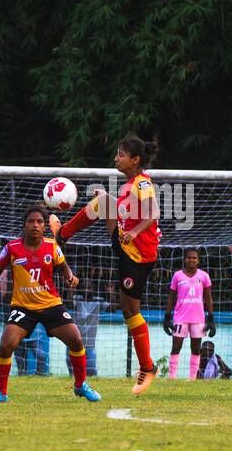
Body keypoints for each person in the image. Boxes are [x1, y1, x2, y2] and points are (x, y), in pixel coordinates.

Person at [52, 136, 162, 395]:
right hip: (126, 245)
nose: (116, 158)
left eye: (121, 154)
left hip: (136, 256)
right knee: (103, 202)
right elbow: (127, 211)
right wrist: (110, 205)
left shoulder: (143, 183)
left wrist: (135, 233)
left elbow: (153, 213)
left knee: (130, 312)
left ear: (135, 160)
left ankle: (148, 367)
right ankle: (61, 236)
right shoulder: (130, 184)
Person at [0, 203, 100, 404]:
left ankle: (80, 386)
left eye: (40, 222)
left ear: (44, 226)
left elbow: (63, 267)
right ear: (24, 225)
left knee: (76, 340)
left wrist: (71, 277)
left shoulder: (51, 246)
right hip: (23, 307)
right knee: (6, 345)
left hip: (51, 305)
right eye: (31, 221)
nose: (35, 225)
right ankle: (1, 393)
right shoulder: (11, 248)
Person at [164, 248, 215, 380]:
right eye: (189, 257)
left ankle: (192, 378)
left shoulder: (204, 276)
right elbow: (171, 297)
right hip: (180, 317)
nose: (191, 260)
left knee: (196, 348)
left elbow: (208, 298)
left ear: (198, 261)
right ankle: (172, 377)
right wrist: (167, 317)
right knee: (176, 346)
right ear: (184, 259)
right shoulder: (177, 276)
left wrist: (211, 318)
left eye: (194, 258)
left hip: (198, 318)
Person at [63, 277, 112, 377]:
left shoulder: (98, 301)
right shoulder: (76, 299)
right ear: (80, 288)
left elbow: (113, 308)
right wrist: (70, 292)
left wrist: (110, 293)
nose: (87, 289)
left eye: (89, 287)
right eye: (84, 286)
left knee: (92, 375)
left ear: (93, 288)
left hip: (89, 346)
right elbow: (68, 304)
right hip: (74, 344)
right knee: (73, 375)